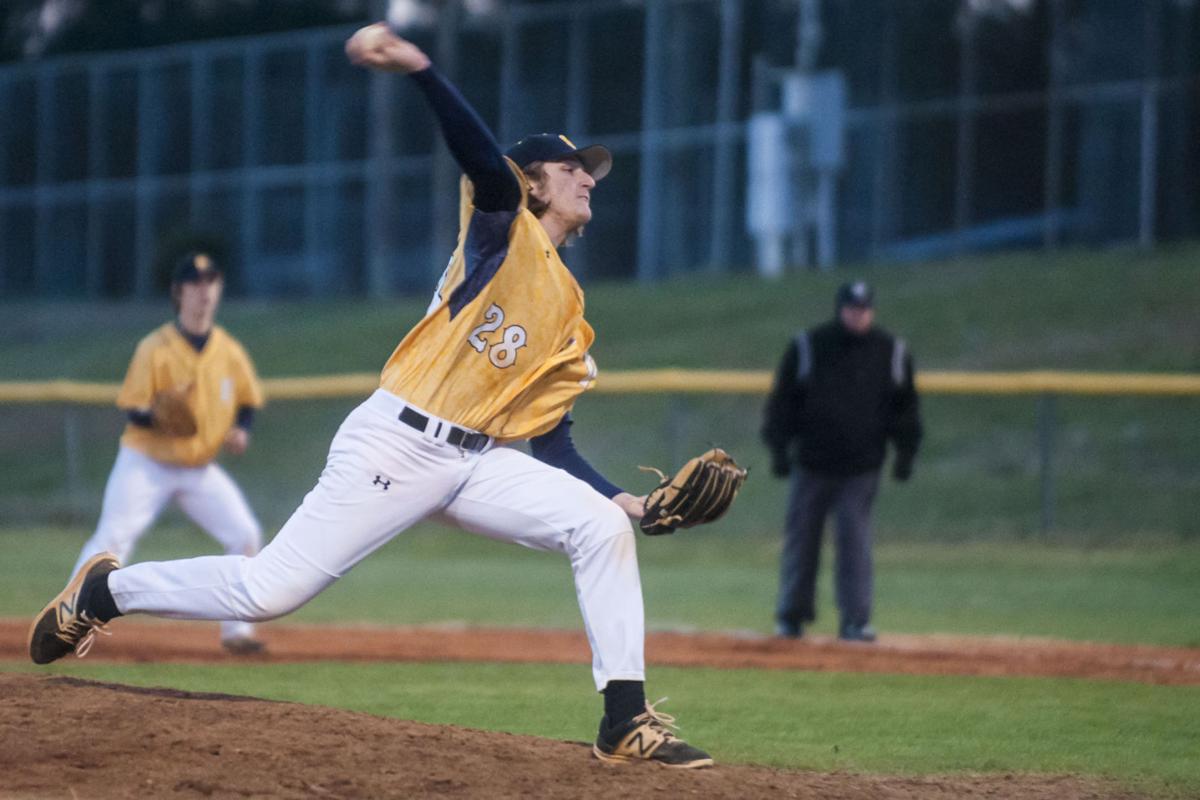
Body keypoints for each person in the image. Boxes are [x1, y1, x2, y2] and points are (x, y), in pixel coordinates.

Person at [28, 22, 712, 770]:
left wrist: (634, 506)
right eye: (571, 166)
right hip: (397, 441)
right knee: (268, 593)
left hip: (475, 462)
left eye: (591, 170)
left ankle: (624, 719)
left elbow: (552, 443)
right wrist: (421, 67)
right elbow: (484, 162)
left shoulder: (571, 316)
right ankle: (108, 594)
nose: (587, 177)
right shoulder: (500, 231)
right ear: (534, 180)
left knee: (599, 530)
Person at [68, 252, 266, 655]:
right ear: (179, 293)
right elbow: (132, 407)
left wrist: (241, 431)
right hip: (148, 463)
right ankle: (69, 621)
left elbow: (247, 401)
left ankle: (237, 633)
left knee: (244, 534)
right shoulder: (154, 348)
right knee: (112, 540)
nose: (204, 291)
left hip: (198, 468)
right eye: (194, 284)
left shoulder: (228, 351)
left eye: (210, 282)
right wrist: (160, 417)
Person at [761, 281, 922, 642]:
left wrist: (905, 453)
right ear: (840, 308)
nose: (858, 314)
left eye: (864, 308)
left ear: (872, 310)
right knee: (802, 541)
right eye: (852, 308)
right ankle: (792, 615)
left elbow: (905, 409)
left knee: (854, 540)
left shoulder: (890, 351)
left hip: (861, 466)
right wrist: (779, 449)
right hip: (812, 463)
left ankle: (856, 619)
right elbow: (782, 403)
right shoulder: (810, 346)